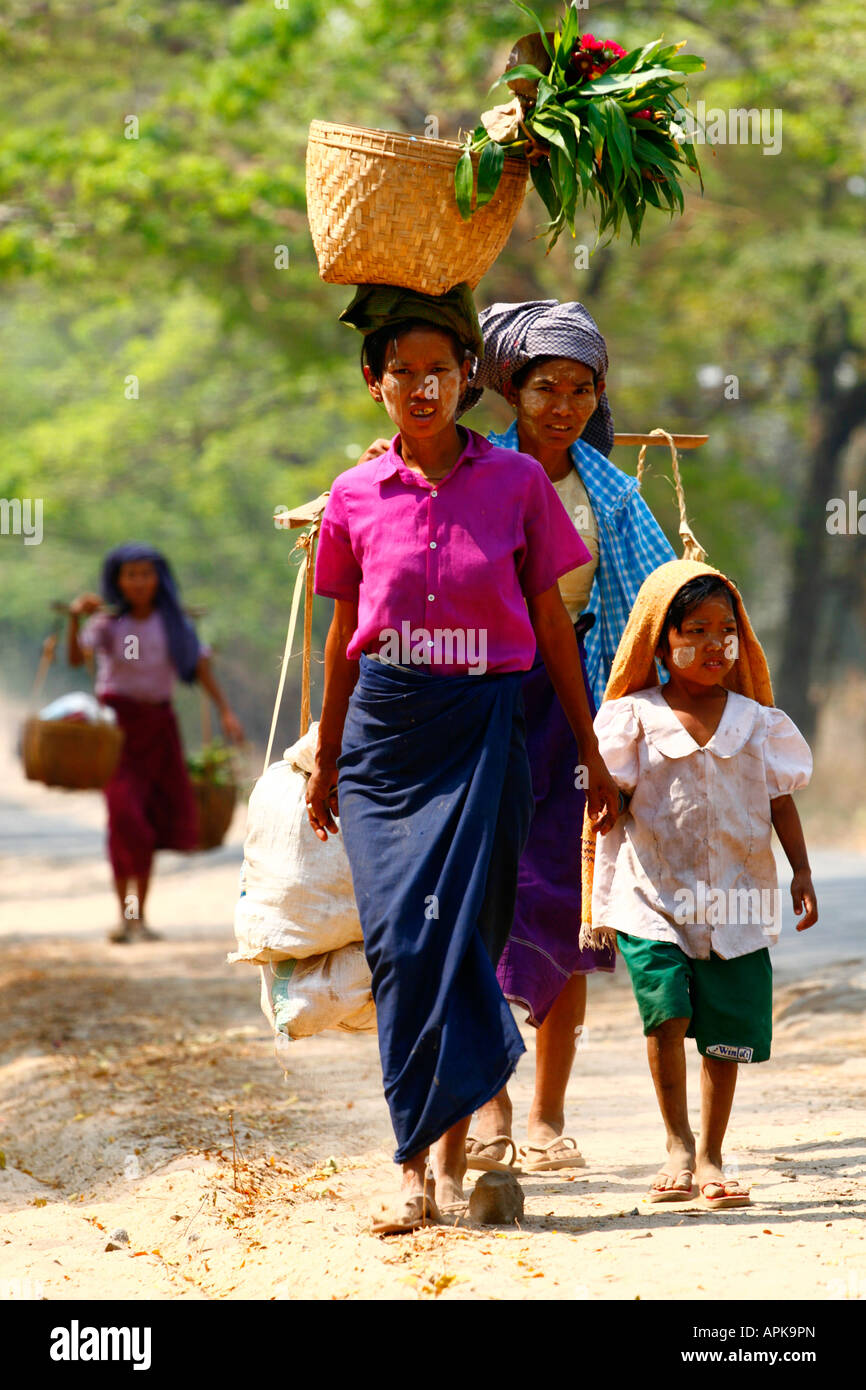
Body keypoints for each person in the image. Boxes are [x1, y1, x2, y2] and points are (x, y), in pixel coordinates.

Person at [305, 283, 621, 1233]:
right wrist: (326, 754)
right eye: (401, 372)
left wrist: (595, 751)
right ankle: (412, 1165)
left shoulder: (516, 485)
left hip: (493, 731)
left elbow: (556, 632)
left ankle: (456, 1163)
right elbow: (339, 634)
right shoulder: (355, 494)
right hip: (387, 738)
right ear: (376, 383)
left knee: (471, 940)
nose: (421, 387)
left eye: (438, 371)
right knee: (404, 944)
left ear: (463, 381)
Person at [359, 300, 675, 1175]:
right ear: (507, 389)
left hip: (577, 704)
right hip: (486, 698)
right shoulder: (476, 473)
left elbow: (657, 600)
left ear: (598, 393)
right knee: (482, 902)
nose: (562, 406)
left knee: (571, 906)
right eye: (544, 388)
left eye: (580, 390)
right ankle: (488, 1110)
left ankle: (546, 1117)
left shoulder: (611, 494)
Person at [589, 560, 818, 1207]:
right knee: (668, 1014)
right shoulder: (632, 719)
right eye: (697, 629)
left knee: (725, 1031)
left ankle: (714, 1155)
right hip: (652, 898)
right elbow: (609, 796)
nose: (716, 644)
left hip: (738, 902)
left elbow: (778, 802)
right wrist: (601, 802)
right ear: (662, 641)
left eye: (727, 630)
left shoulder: (759, 722)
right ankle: (677, 1146)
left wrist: (800, 870)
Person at [68, 542, 244, 942]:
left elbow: (200, 667)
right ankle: (123, 915)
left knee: (147, 824)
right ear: (118, 580)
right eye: (131, 574)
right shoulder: (107, 624)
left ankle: (139, 917)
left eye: (146, 574)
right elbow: (78, 660)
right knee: (124, 818)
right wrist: (76, 621)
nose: (139, 582)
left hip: (159, 729)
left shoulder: (174, 625)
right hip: (115, 733)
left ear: (158, 579)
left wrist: (226, 711)